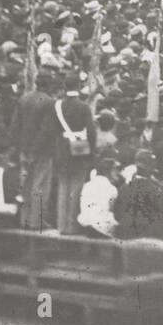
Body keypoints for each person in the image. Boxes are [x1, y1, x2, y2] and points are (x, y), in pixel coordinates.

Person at [10, 69, 56, 230]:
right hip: (41, 151)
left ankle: (25, 219)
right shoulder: (49, 102)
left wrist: (21, 148)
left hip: (24, 148)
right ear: (49, 83)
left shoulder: (24, 98)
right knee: (40, 185)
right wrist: (35, 151)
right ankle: (37, 221)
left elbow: (15, 126)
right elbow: (46, 131)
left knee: (25, 184)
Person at [52, 74, 96, 235]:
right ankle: (72, 226)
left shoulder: (58, 106)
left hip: (62, 147)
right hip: (79, 145)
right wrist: (90, 152)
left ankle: (61, 225)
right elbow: (91, 132)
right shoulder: (84, 107)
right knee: (76, 188)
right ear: (78, 86)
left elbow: (54, 130)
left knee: (63, 187)